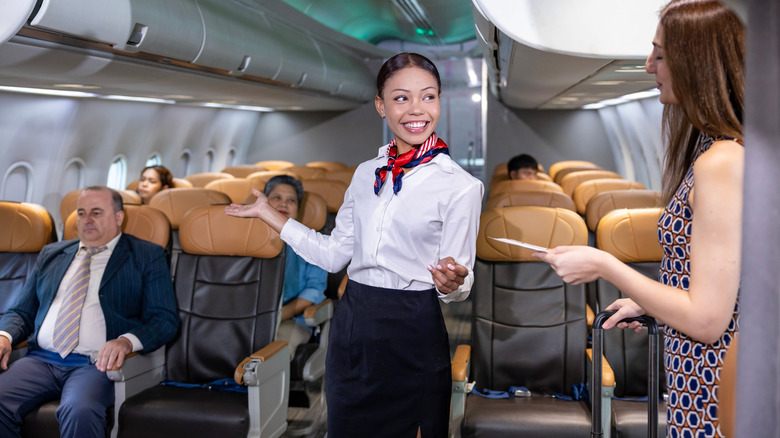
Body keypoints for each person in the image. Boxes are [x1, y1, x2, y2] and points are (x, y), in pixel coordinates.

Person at [226, 52, 483, 437]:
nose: (417, 109)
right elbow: (332, 256)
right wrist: (269, 214)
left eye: (428, 96)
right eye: (401, 98)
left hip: (413, 325)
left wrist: (454, 284)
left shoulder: (461, 186)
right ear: (381, 106)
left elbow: (459, 282)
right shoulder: (366, 175)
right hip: (354, 323)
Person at [533, 1, 743, 436]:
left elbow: (708, 319)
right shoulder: (712, 148)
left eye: (660, 55)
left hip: (711, 385)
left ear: (696, 63)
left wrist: (606, 265)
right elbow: (712, 287)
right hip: (694, 377)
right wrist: (648, 302)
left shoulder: (721, 161)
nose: (649, 66)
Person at [0, 186, 179, 438]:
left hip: (96, 364)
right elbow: (22, 311)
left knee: (79, 409)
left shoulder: (146, 255)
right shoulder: (52, 254)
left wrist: (126, 341)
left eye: (96, 212)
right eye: (81, 213)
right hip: (42, 360)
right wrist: (5, 335)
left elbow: (164, 319)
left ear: (119, 217)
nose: (87, 220)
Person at [263, 175, 327, 359]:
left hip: (291, 320)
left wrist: (277, 316)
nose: (283, 204)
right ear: (265, 202)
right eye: (276, 198)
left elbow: (314, 289)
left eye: (291, 200)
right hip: (250, 318)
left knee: (271, 357)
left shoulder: (309, 243)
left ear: (298, 209)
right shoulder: (247, 239)